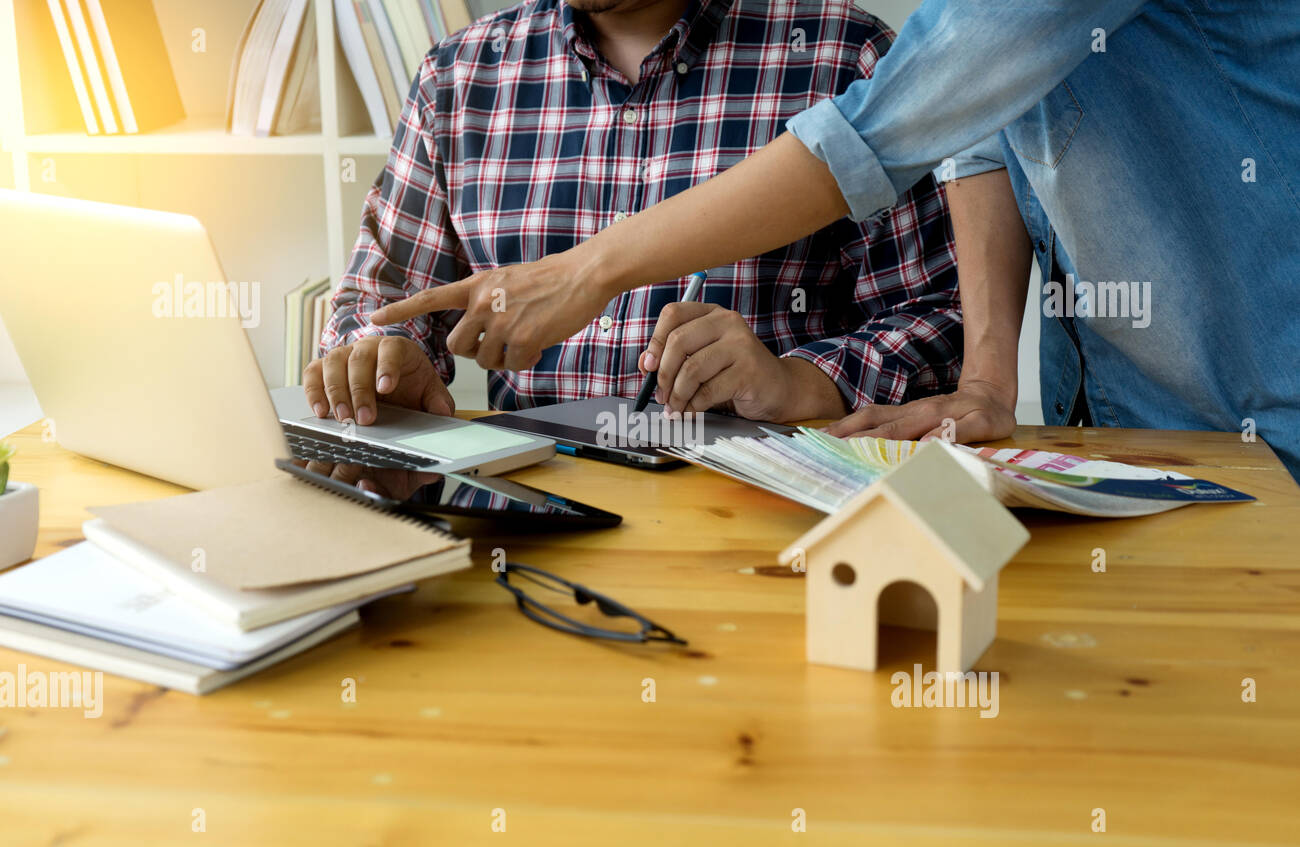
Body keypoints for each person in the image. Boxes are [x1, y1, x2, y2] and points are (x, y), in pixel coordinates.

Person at [373, 0, 1300, 478]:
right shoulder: (463, 71)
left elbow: (886, 128)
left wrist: (591, 271)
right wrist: (986, 378)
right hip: (1116, 416)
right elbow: (970, 125)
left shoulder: (830, 44)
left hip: (1263, 409)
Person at [305, 0, 965, 429]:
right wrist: (380, 363)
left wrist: (800, 381)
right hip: (537, 512)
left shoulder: (844, 55)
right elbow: (379, 292)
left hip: (763, 512)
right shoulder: (458, 79)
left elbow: (944, 318)